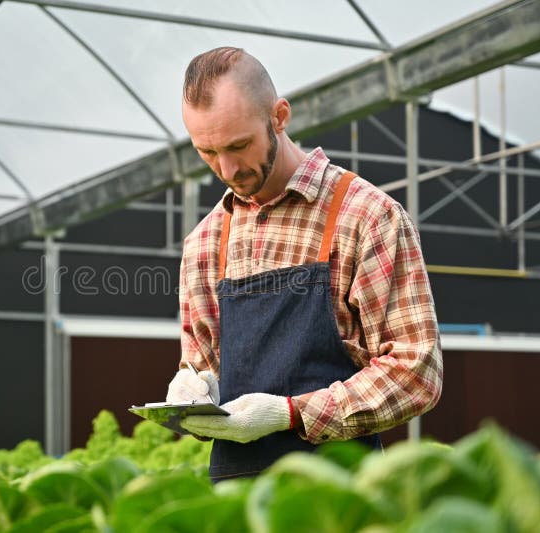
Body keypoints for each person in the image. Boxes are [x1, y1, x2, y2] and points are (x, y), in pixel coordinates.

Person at [165, 47, 443, 483]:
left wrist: (291, 414)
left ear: (279, 116)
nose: (227, 168)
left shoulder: (367, 217)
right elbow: (202, 363)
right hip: (234, 499)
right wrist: (192, 389)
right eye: (207, 152)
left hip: (339, 493)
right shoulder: (204, 242)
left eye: (239, 145)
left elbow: (415, 372)